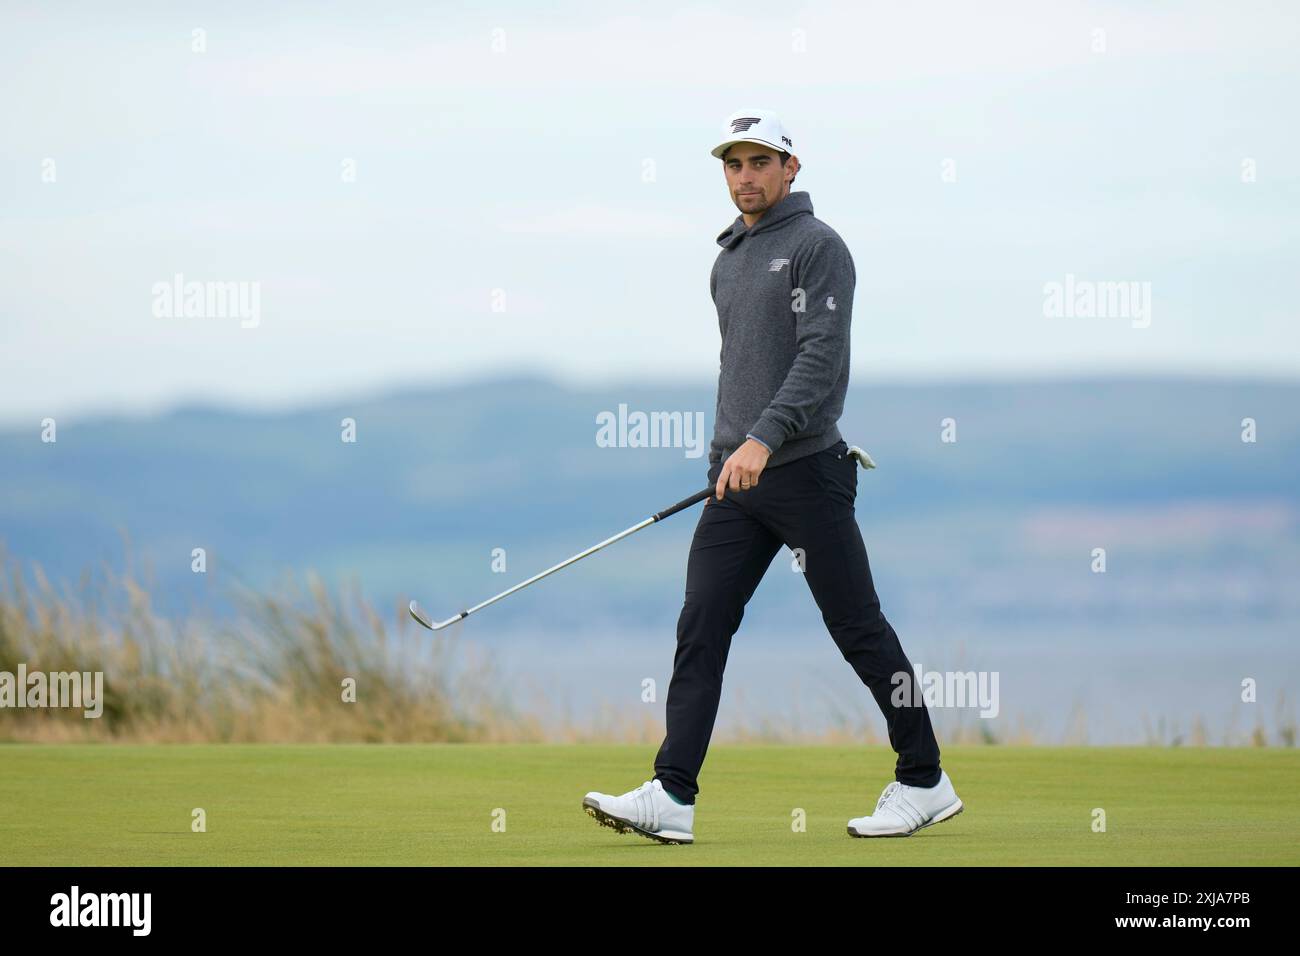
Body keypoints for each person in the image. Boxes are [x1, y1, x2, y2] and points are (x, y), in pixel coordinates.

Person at [582, 108, 962, 844]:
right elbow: (739, 372)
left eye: (760, 162)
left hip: (807, 472)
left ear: (792, 168)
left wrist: (762, 439)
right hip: (738, 480)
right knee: (701, 625)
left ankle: (924, 779)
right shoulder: (727, 258)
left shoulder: (821, 247)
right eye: (734, 164)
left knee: (857, 628)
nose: (745, 176)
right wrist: (727, 454)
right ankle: (672, 794)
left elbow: (819, 361)